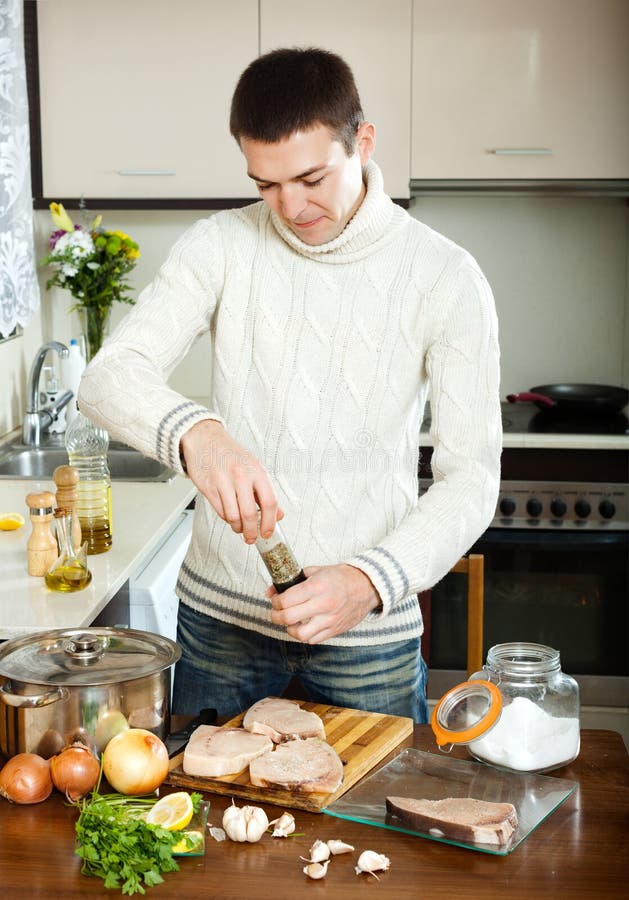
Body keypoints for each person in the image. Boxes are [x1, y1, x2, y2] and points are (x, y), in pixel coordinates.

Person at [78, 47, 501, 723]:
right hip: (220, 628)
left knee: (372, 831)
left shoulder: (444, 277)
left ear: (360, 142)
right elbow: (106, 378)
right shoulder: (219, 246)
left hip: (367, 638)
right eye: (265, 184)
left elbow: (471, 478)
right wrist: (200, 435)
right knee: (209, 826)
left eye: (310, 177)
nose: (290, 205)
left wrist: (369, 581)